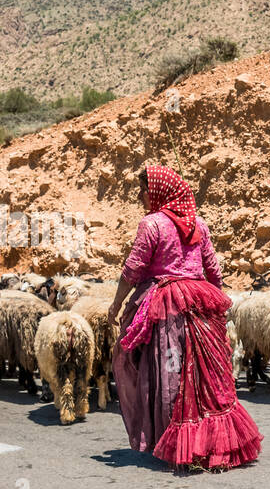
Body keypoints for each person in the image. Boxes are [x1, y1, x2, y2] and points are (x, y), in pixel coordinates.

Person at [108, 166, 261, 470]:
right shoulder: (199, 225)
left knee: (169, 375)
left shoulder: (151, 224)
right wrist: (215, 305)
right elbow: (213, 270)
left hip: (167, 308)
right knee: (208, 377)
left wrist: (116, 305)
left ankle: (179, 444)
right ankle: (214, 443)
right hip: (201, 304)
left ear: (159, 193)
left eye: (145, 190)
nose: (141, 196)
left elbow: (133, 269)